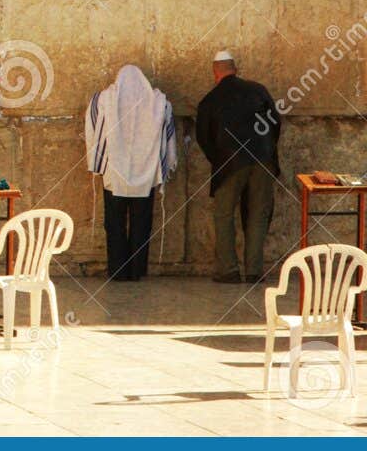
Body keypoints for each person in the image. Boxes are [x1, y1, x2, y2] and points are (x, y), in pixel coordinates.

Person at [85, 64, 178, 282]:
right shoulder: (159, 102)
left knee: (114, 222)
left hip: (114, 174)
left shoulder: (104, 99)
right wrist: (167, 163)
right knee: (141, 223)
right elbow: (168, 135)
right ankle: (137, 270)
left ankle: (118, 270)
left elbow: (91, 124)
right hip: (146, 175)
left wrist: (97, 162)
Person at [195, 49, 281, 283]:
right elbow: (275, 123)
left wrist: (219, 160)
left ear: (215, 72)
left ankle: (228, 270)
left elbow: (203, 138)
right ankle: (254, 271)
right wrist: (267, 151)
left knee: (223, 214)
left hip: (229, 162)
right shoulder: (258, 90)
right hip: (263, 159)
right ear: (235, 69)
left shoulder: (209, 100)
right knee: (258, 213)